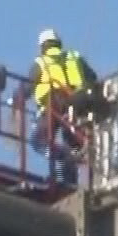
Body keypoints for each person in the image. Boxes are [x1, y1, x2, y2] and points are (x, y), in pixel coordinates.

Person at [26, 30, 102, 182]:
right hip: (79, 104)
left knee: (39, 140)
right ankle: (69, 180)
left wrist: (16, 99)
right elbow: (92, 78)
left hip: (54, 103)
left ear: (42, 47)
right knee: (74, 142)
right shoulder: (75, 56)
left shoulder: (40, 63)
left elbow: (29, 87)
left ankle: (63, 161)